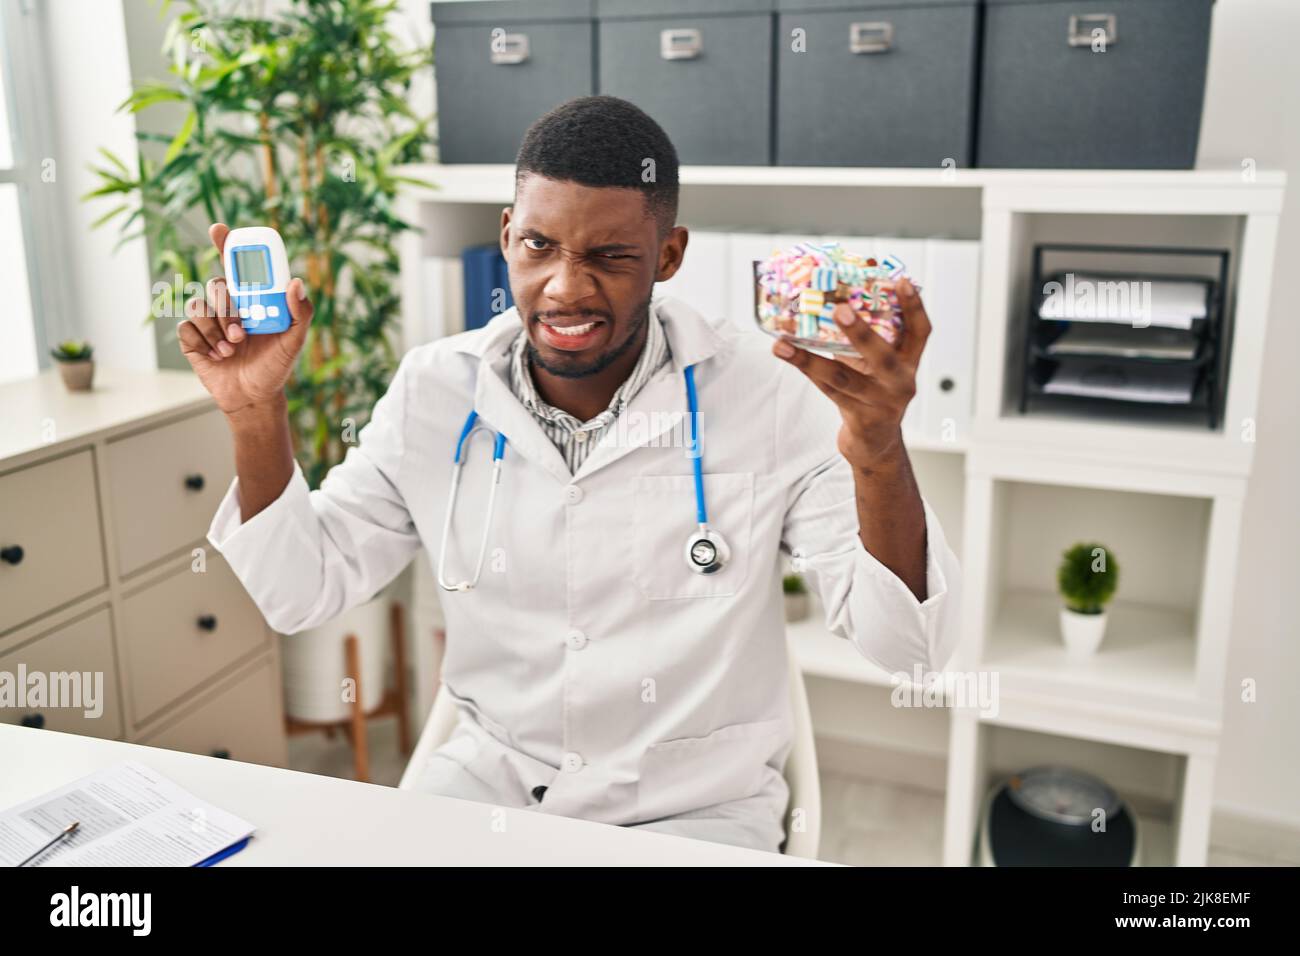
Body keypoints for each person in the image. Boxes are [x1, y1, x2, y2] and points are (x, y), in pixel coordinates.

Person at [179, 95, 961, 854]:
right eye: (540, 246)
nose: (564, 287)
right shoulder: (435, 388)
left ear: (669, 255)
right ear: (508, 235)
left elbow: (911, 649)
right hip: (487, 790)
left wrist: (880, 450)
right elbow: (297, 590)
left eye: (610, 256)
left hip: (694, 814)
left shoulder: (768, 395)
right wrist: (256, 413)